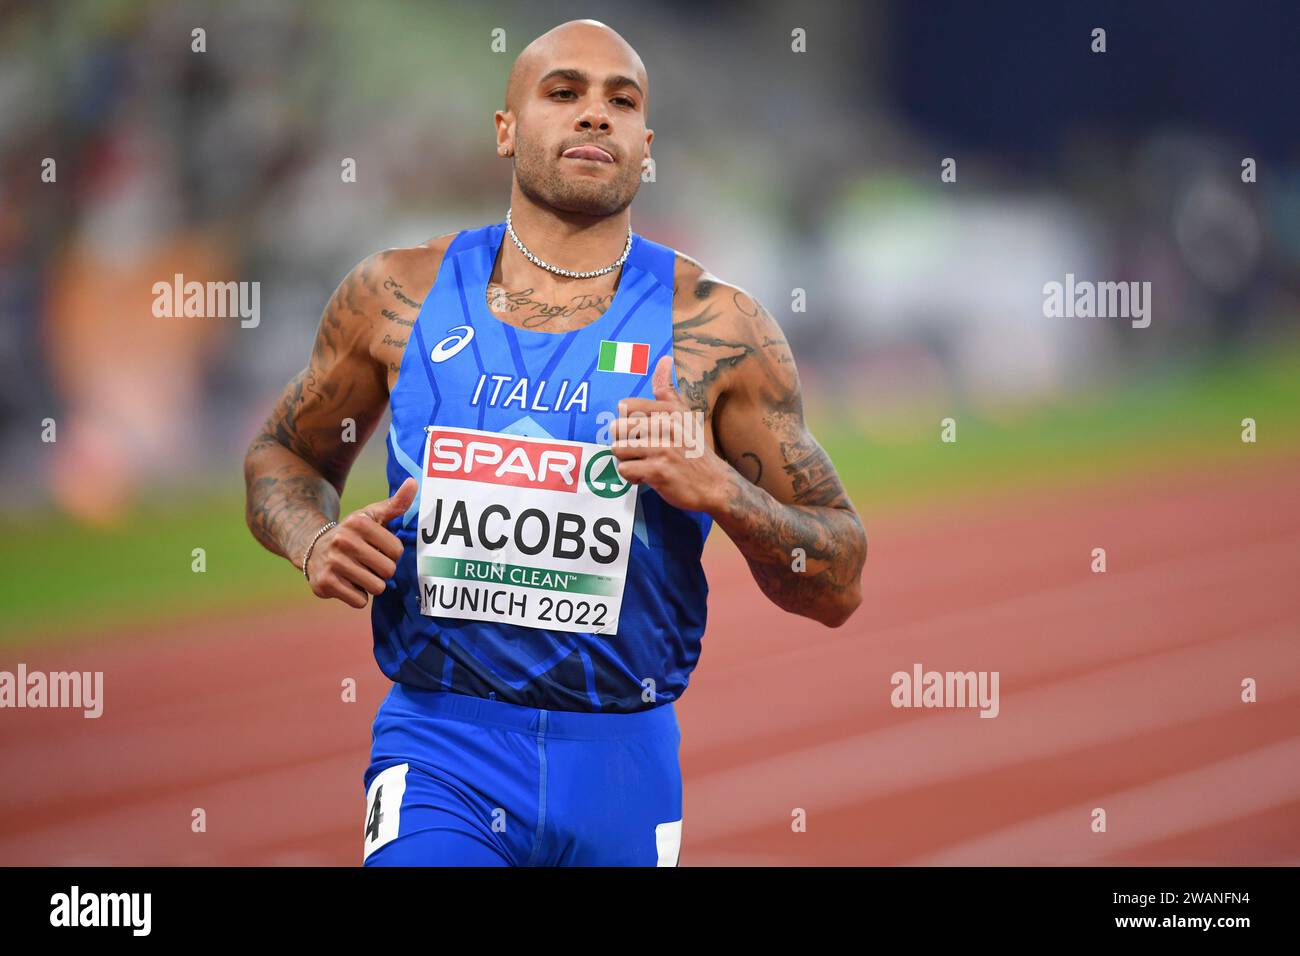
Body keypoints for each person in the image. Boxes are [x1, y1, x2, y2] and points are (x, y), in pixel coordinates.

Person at [243, 18, 866, 867]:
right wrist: (312, 536)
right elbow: (284, 456)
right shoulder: (393, 296)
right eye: (563, 92)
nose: (595, 115)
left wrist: (722, 489)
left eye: (622, 101)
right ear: (506, 128)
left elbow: (838, 582)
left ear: (648, 144)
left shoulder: (719, 329)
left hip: (622, 760)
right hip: (441, 747)